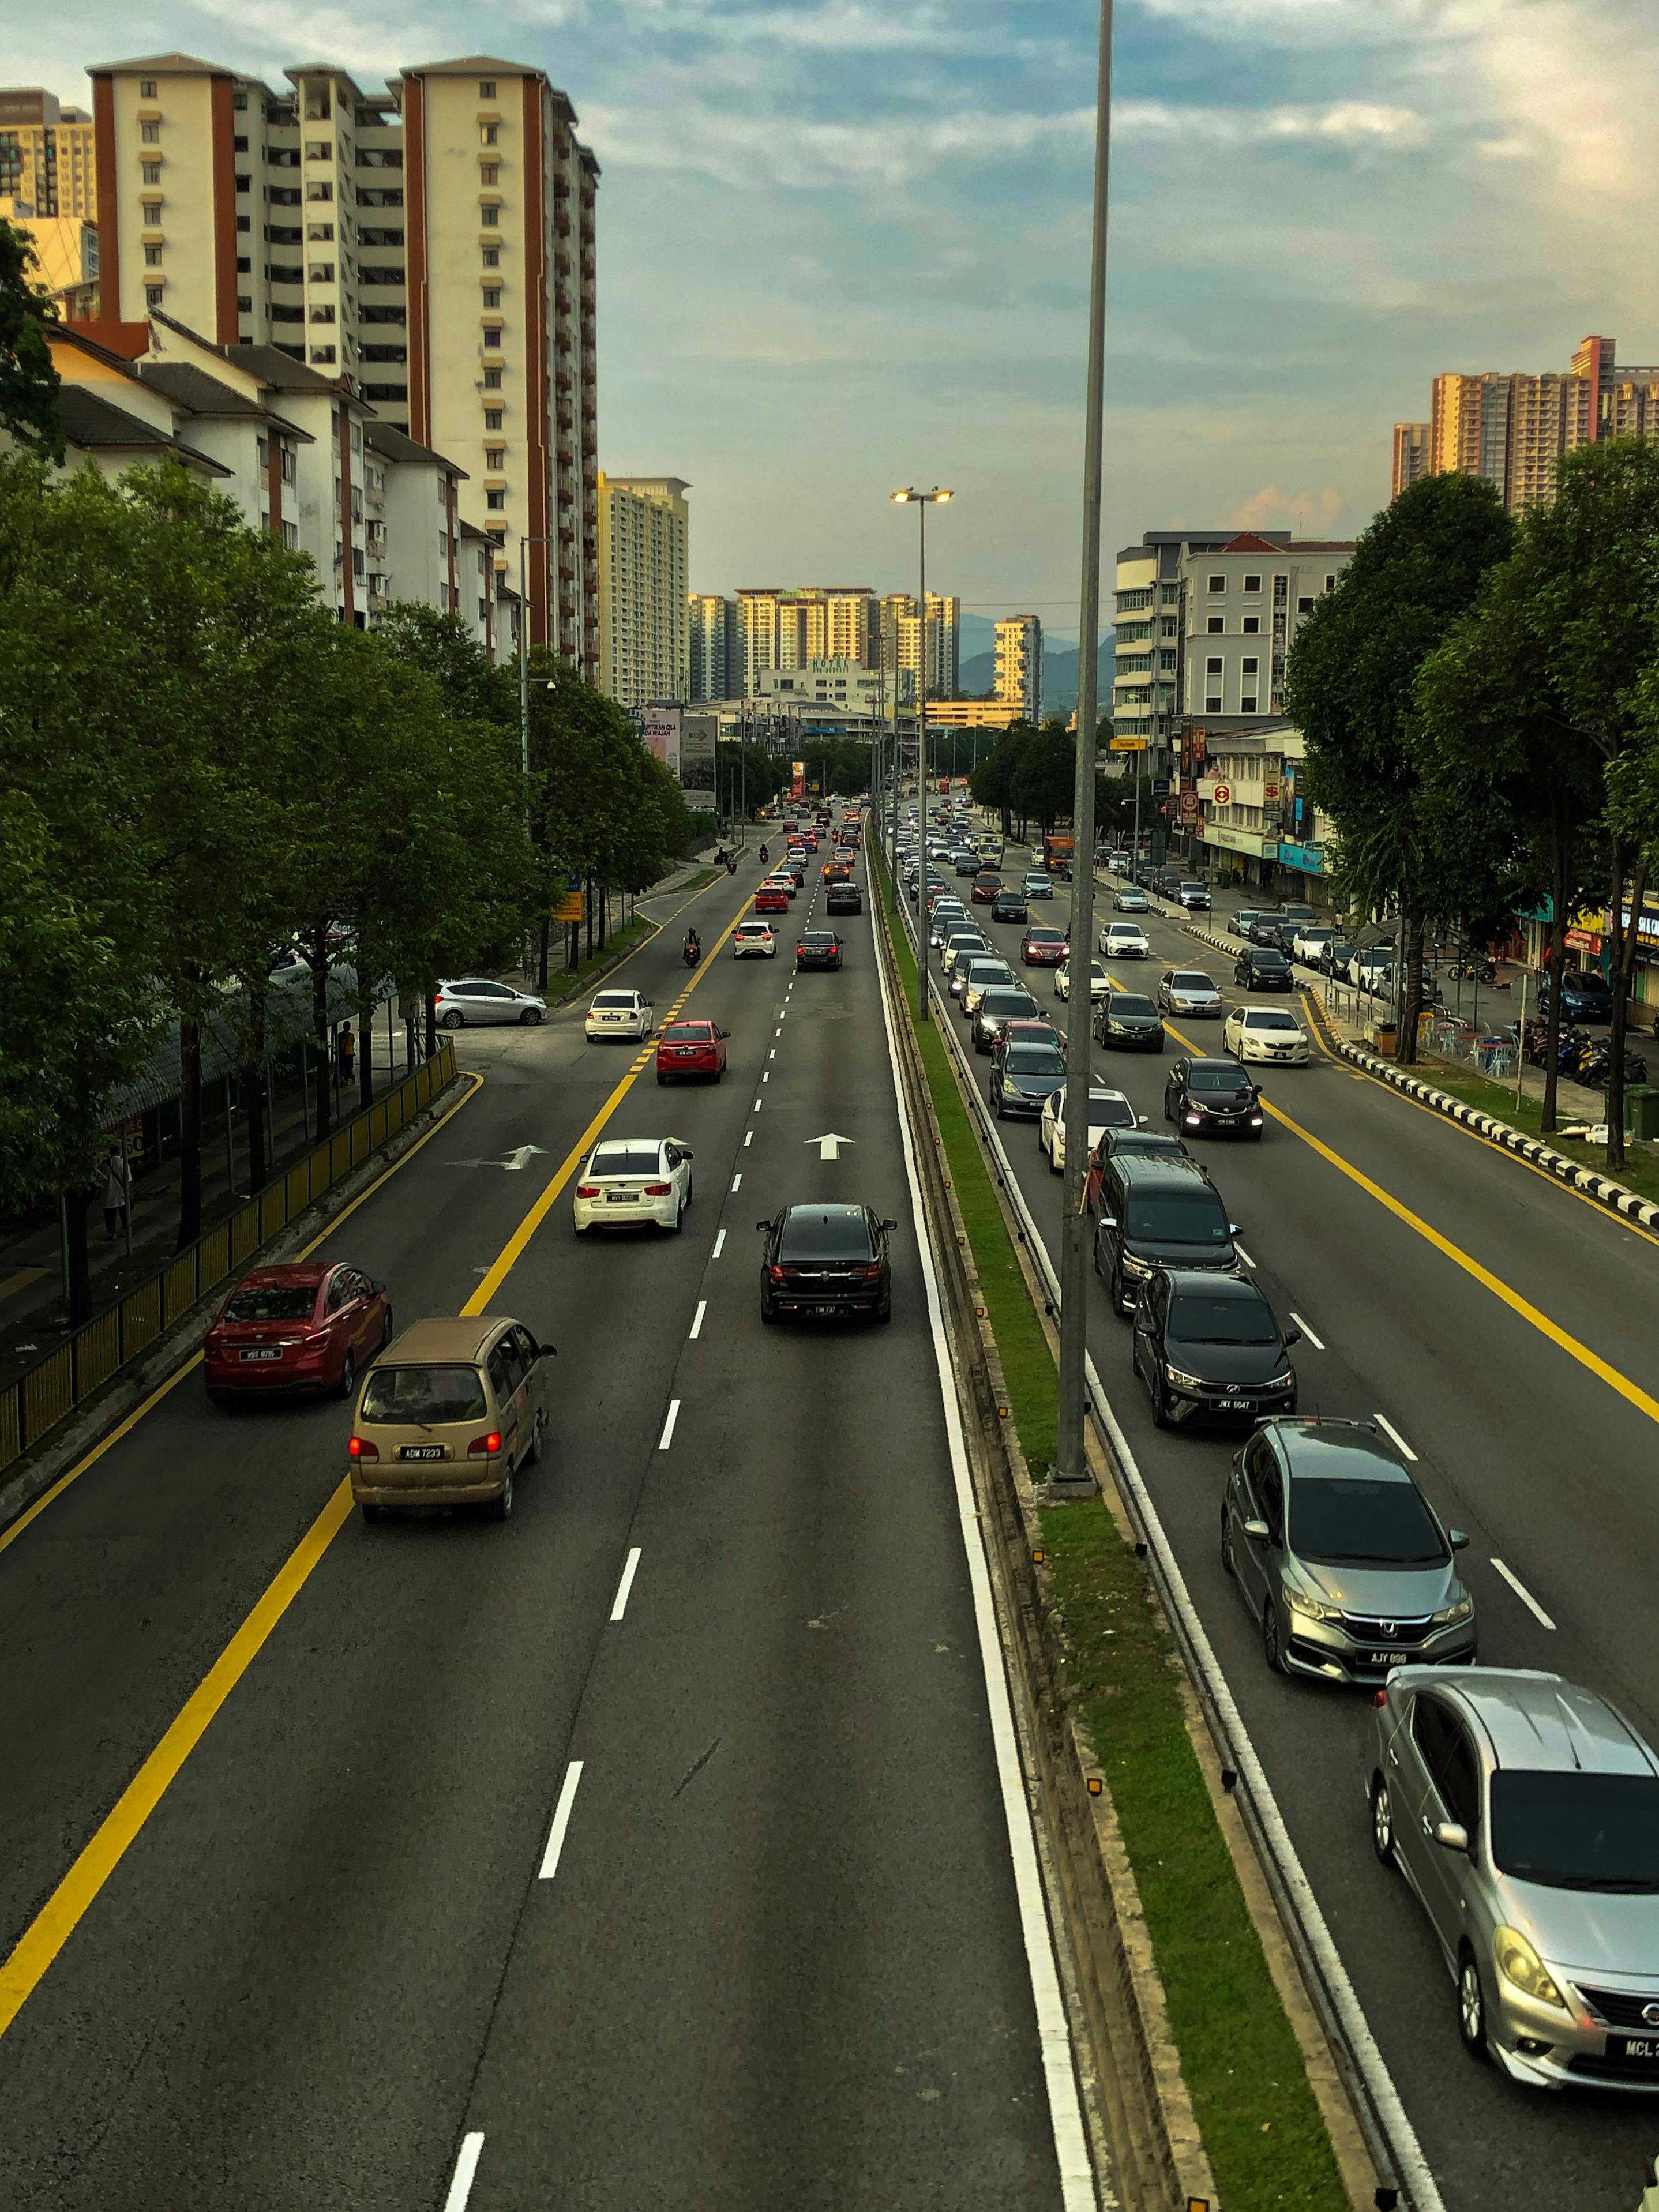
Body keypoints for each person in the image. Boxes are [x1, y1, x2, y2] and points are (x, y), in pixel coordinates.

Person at [102, 1143, 131, 1243]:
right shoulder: (123, 1163)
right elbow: (128, 1180)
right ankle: (125, 1230)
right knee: (124, 1212)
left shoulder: (104, 1165)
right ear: (119, 1152)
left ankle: (113, 1233)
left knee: (110, 1214)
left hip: (108, 1192)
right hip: (121, 1191)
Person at [336, 1021, 355, 1087]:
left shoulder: (339, 1035)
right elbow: (352, 1043)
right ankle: (348, 1079)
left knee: (342, 1066)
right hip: (349, 1053)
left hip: (342, 1053)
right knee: (349, 1067)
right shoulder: (351, 1036)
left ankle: (342, 1078)